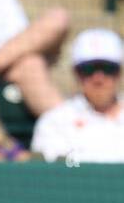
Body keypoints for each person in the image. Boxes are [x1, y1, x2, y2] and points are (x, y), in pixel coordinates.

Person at [31, 29, 124, 165]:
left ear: (119, 72)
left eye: (108, 68)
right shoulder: (55, 122)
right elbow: (52, 174)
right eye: (88, 69)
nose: (98, 78)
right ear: (76, 73)